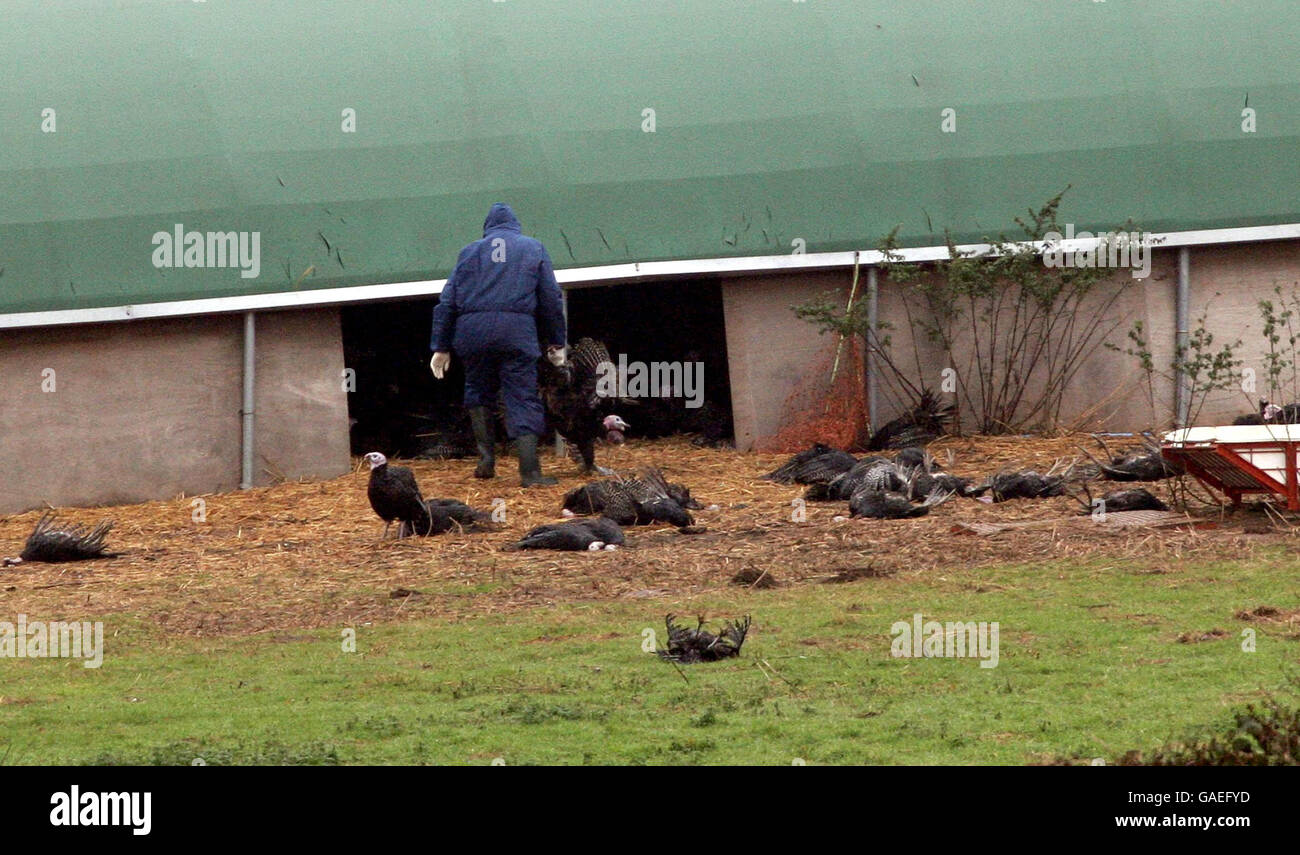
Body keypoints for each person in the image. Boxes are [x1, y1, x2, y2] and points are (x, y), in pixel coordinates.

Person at [429, 203, 566, 486]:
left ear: (487, 228)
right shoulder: (533, 248)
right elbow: (551, 299)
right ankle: (529, 473)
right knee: (522, 395)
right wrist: (556, 341)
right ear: (516, 226)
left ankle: (486, 463)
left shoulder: (468, 252)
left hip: (472, 332)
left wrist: (440, 346)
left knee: (477, 390)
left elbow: (447, 303)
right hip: (516, 332)